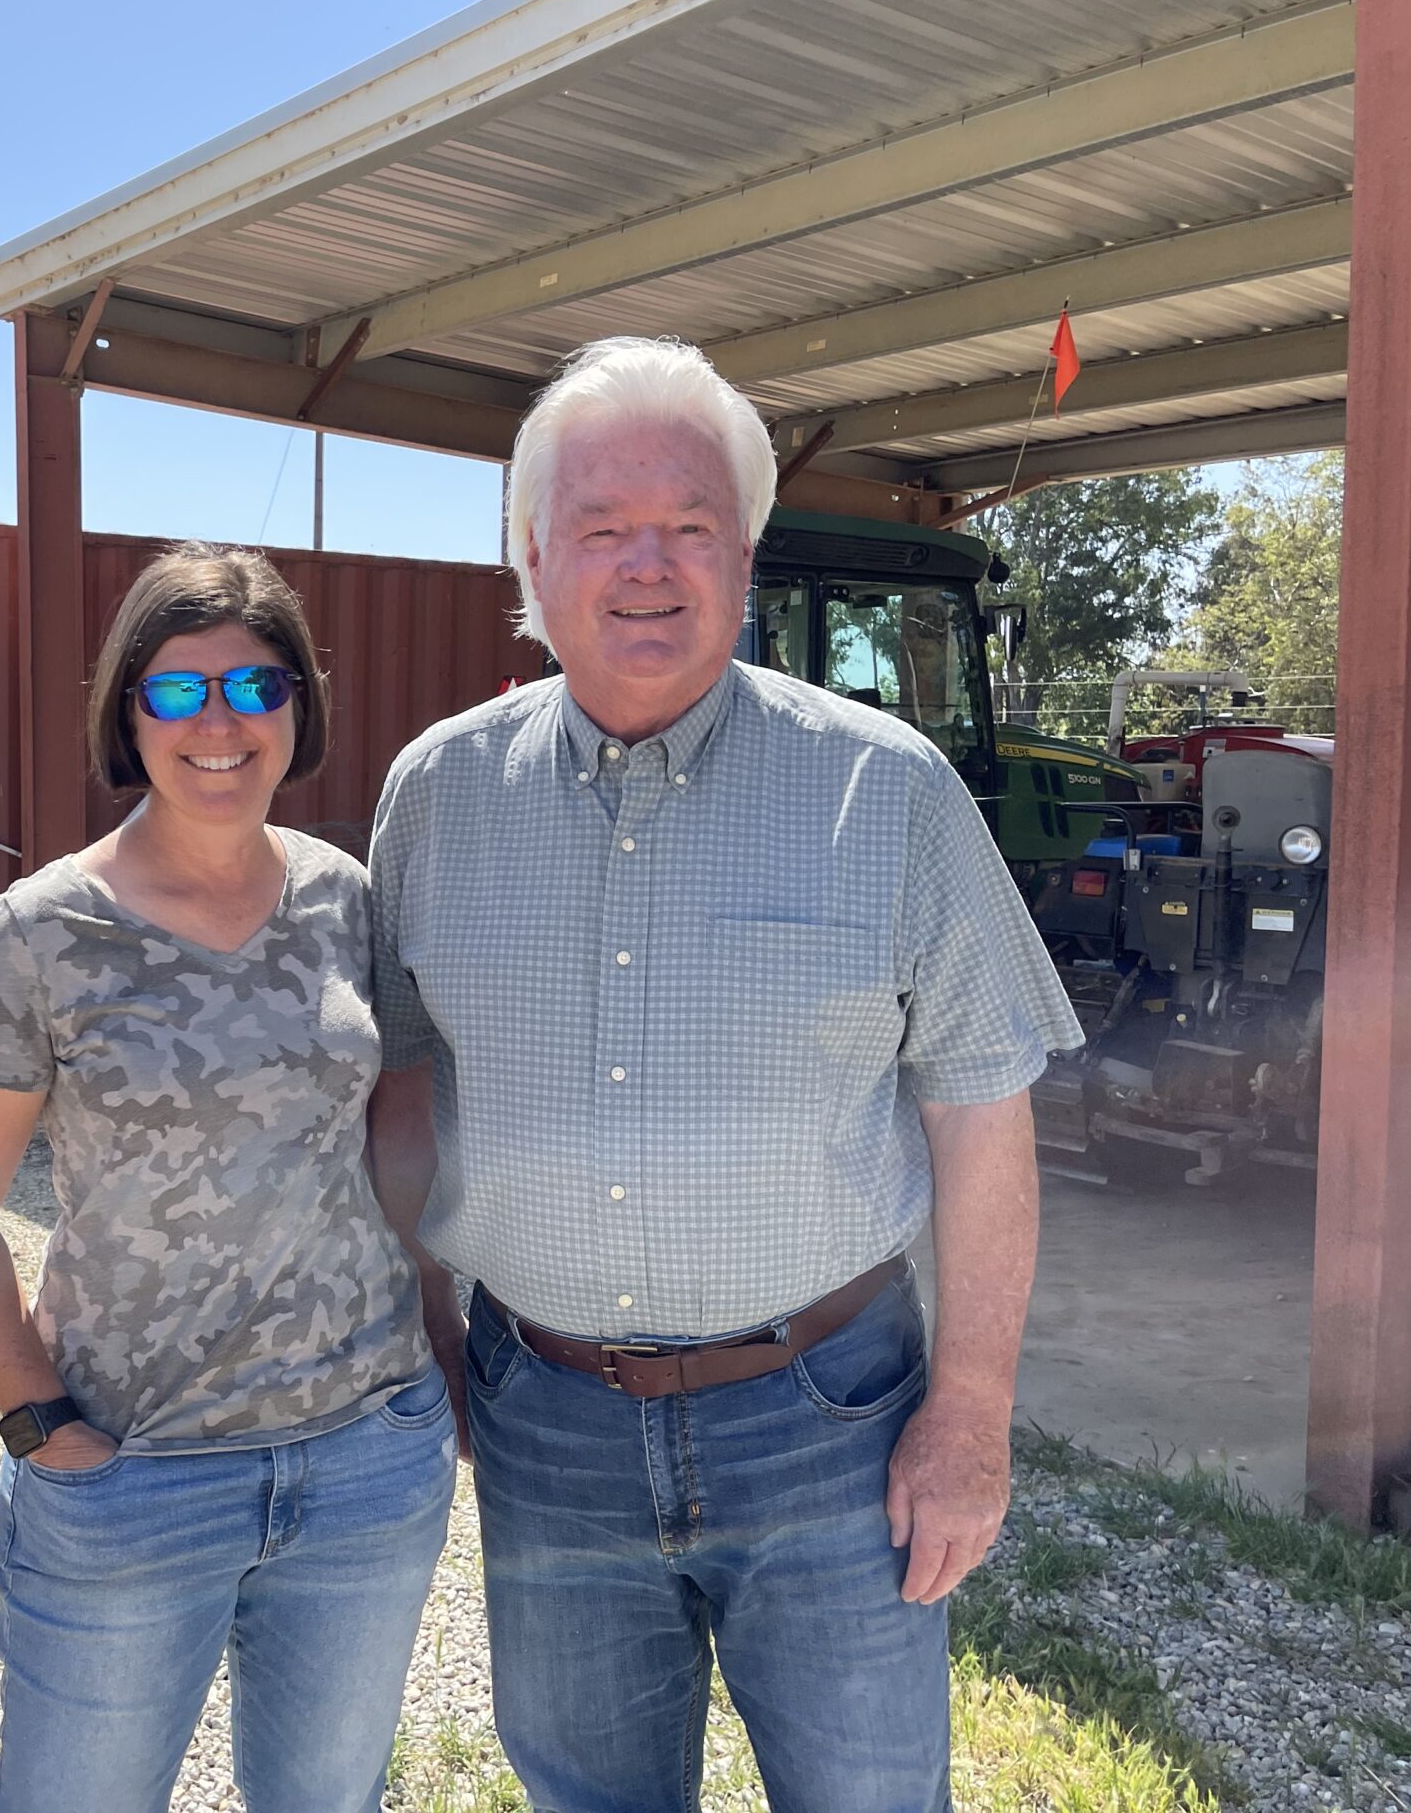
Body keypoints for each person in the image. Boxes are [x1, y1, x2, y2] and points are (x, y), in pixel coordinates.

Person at [366, 339, 1083, 1813]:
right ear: (531, 554)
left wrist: (970, 1416)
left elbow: (982, 1122)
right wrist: (429, 1332)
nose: (648, 565)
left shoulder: (889, 790)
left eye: (690, 525)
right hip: (543, 1413)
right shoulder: (435, 795)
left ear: (743, 554)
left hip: (828, 1419)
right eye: (604, 527)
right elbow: (402, 1087)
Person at [0, 544, 454, 1813]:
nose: (221, 722)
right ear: (127, 711)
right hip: (133, 1475)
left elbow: (396, 1138)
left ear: (300, 709)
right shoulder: (41, 933)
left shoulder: (347, 901)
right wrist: (40, 1422)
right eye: (177, 690)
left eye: (260, 688)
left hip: (361, 1465)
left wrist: (438, 1346)